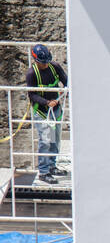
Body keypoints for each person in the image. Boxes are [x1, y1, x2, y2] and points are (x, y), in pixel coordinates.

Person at [25, 44, 68, 185]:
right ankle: (43, 171)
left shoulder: (54, 67)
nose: (45, 65)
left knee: (55, 138)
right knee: (45, 140)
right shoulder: (32, 74)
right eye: (42, 63)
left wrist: (64, 91)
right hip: (42, 110)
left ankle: (52, 165)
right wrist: (46, 102)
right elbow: (32, 95)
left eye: (46, 62)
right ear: (36, 61)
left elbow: (66, 80)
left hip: (55, 108)